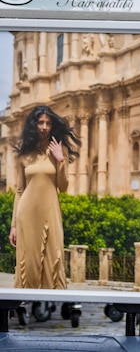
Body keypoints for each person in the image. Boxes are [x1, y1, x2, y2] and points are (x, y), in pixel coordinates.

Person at [9, 105, 80, 289]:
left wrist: (60, 160)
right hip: (26, 215)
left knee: (53, 260)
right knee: (29, 262)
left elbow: (63, 187)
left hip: (50, 212)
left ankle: (53, 303)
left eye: (48, 123)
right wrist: (13, 226)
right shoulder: (23, 154)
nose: (44, 127)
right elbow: (19, 191)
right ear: (34, 125)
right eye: (40, 122)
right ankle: (26, 306)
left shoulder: (59, 149)